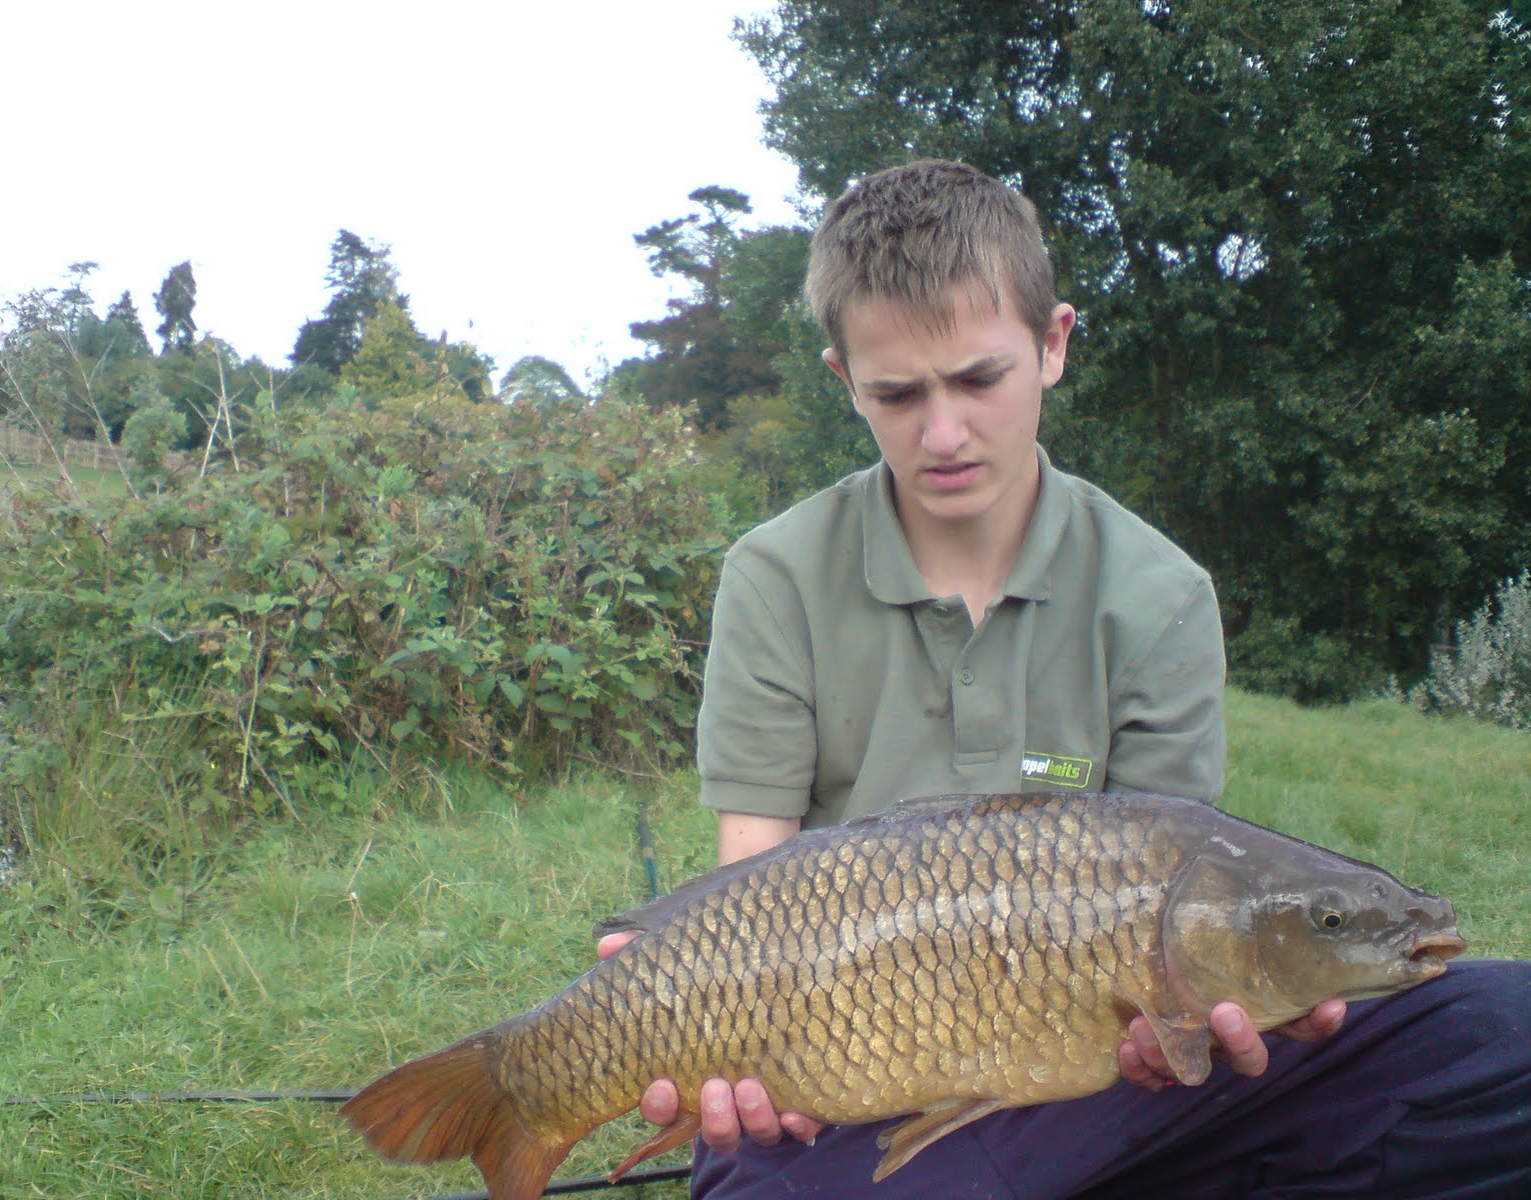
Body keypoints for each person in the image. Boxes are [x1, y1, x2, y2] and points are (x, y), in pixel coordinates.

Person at [600, 160, 1531, 1198]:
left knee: (1505, 1036)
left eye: (977, 379)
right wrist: (732, 1055)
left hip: (1088, 1079)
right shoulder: (774, 574)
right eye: (896, 394)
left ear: (1052, 345)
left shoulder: (1158, 590)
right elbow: (749, 880)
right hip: (838, 1092)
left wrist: (1185, 1026)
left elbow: (1180, 895)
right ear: (842, 380)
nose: (941, 433)